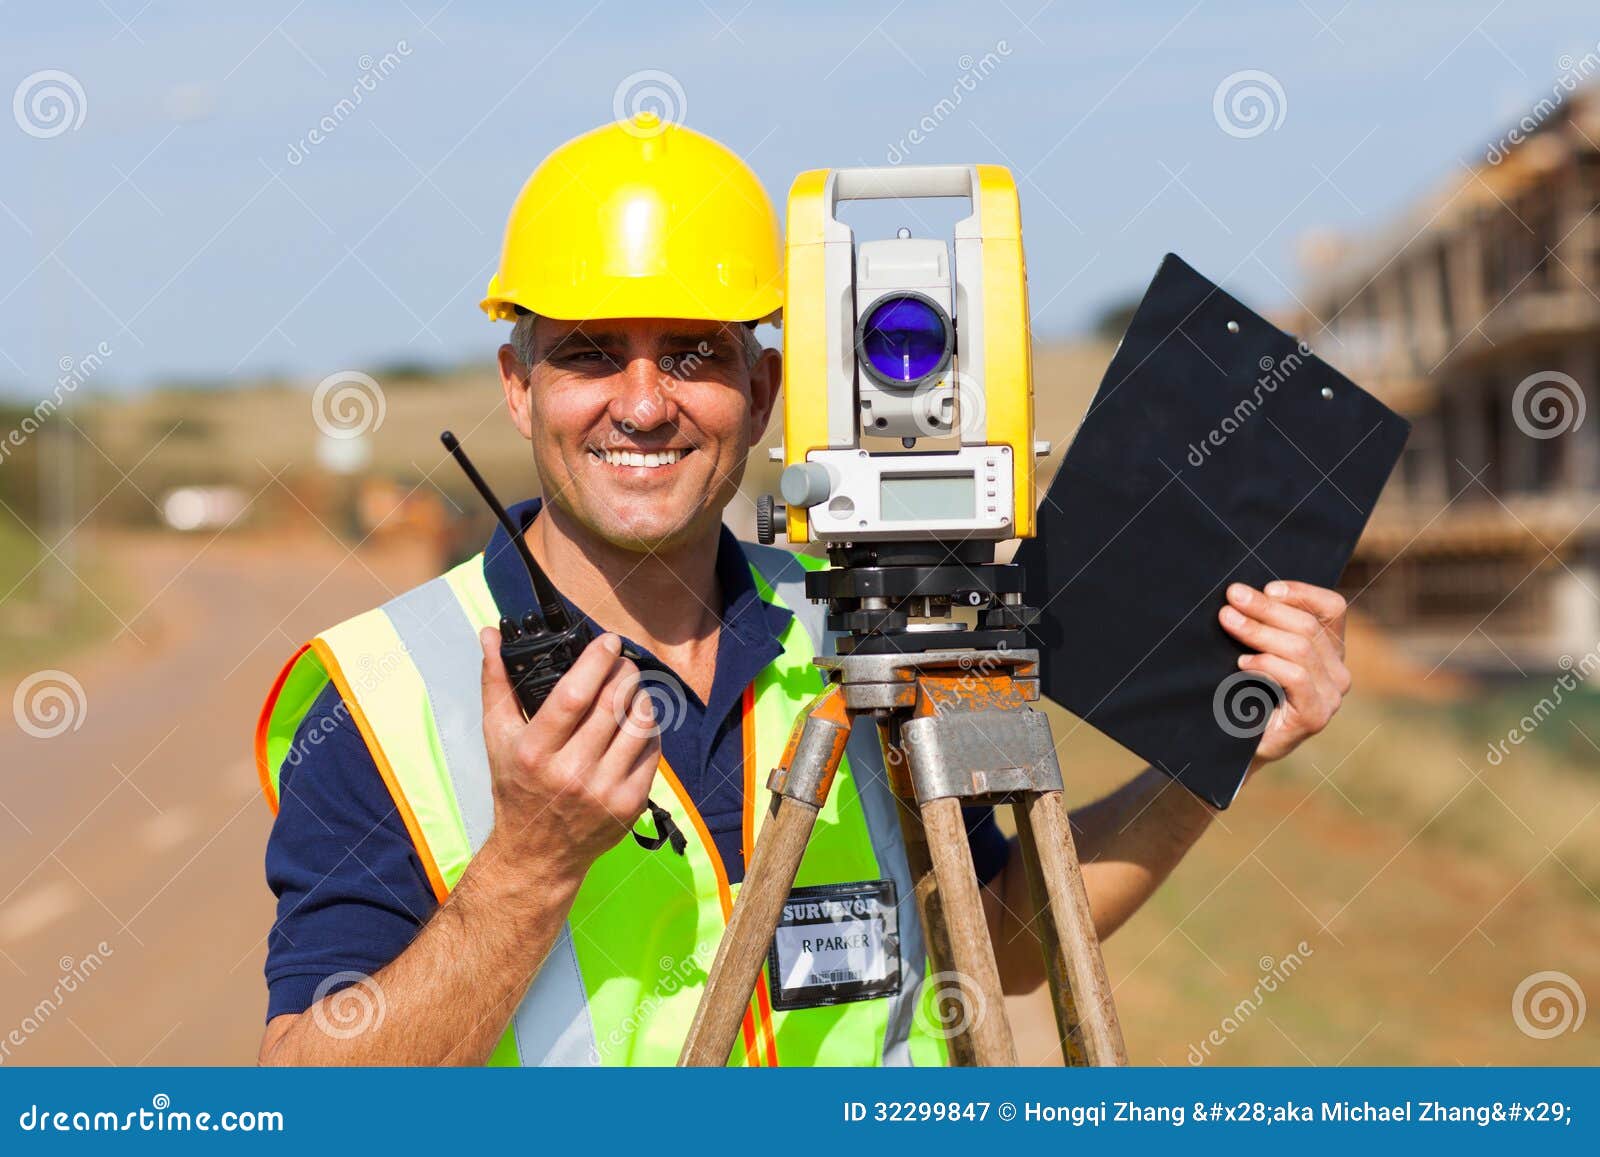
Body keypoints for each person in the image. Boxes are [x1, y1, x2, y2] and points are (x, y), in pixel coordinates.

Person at [254, 116, 1351, 1066]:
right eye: (591, 352)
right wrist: (529, 865)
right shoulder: (388, 692)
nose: (643, 405)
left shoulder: (864, 630)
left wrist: (1212, 751)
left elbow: (1011, 941)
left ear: (766, 388)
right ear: (517, 382)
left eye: (692, 355)